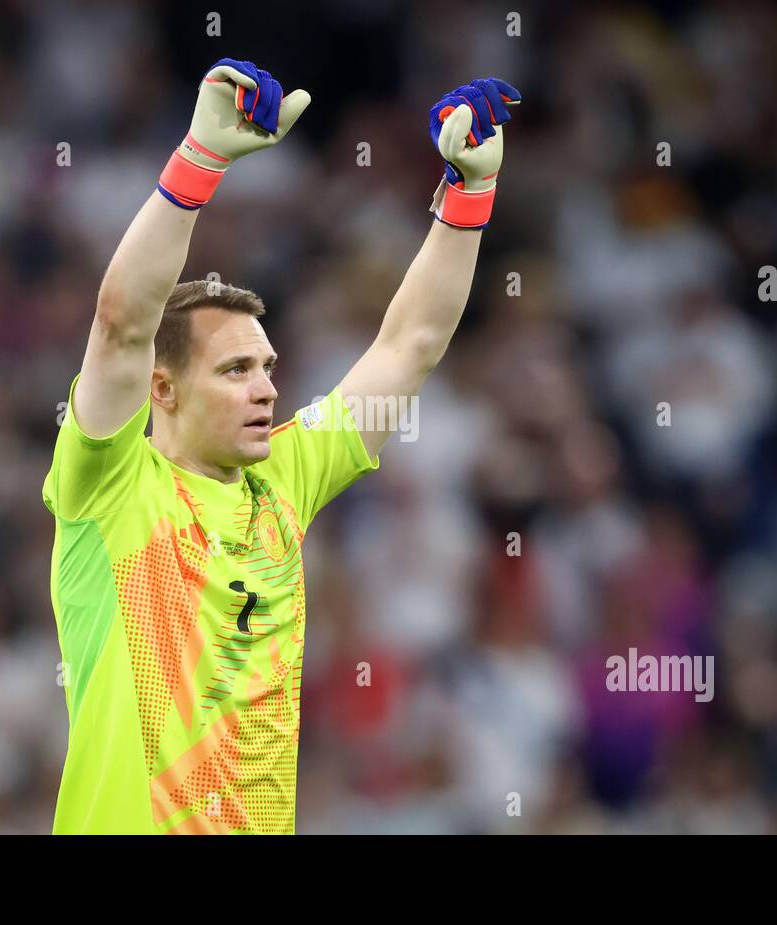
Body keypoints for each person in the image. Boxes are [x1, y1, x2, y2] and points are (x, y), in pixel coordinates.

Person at [41, 57, 521, 834]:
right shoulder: (110, 488)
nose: (267, 387)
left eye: (267, 367)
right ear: (162, 389)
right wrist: (200, 159)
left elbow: (410, 346)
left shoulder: (285, 480)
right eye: (235, 370)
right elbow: (122, 321)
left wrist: (469, 195)